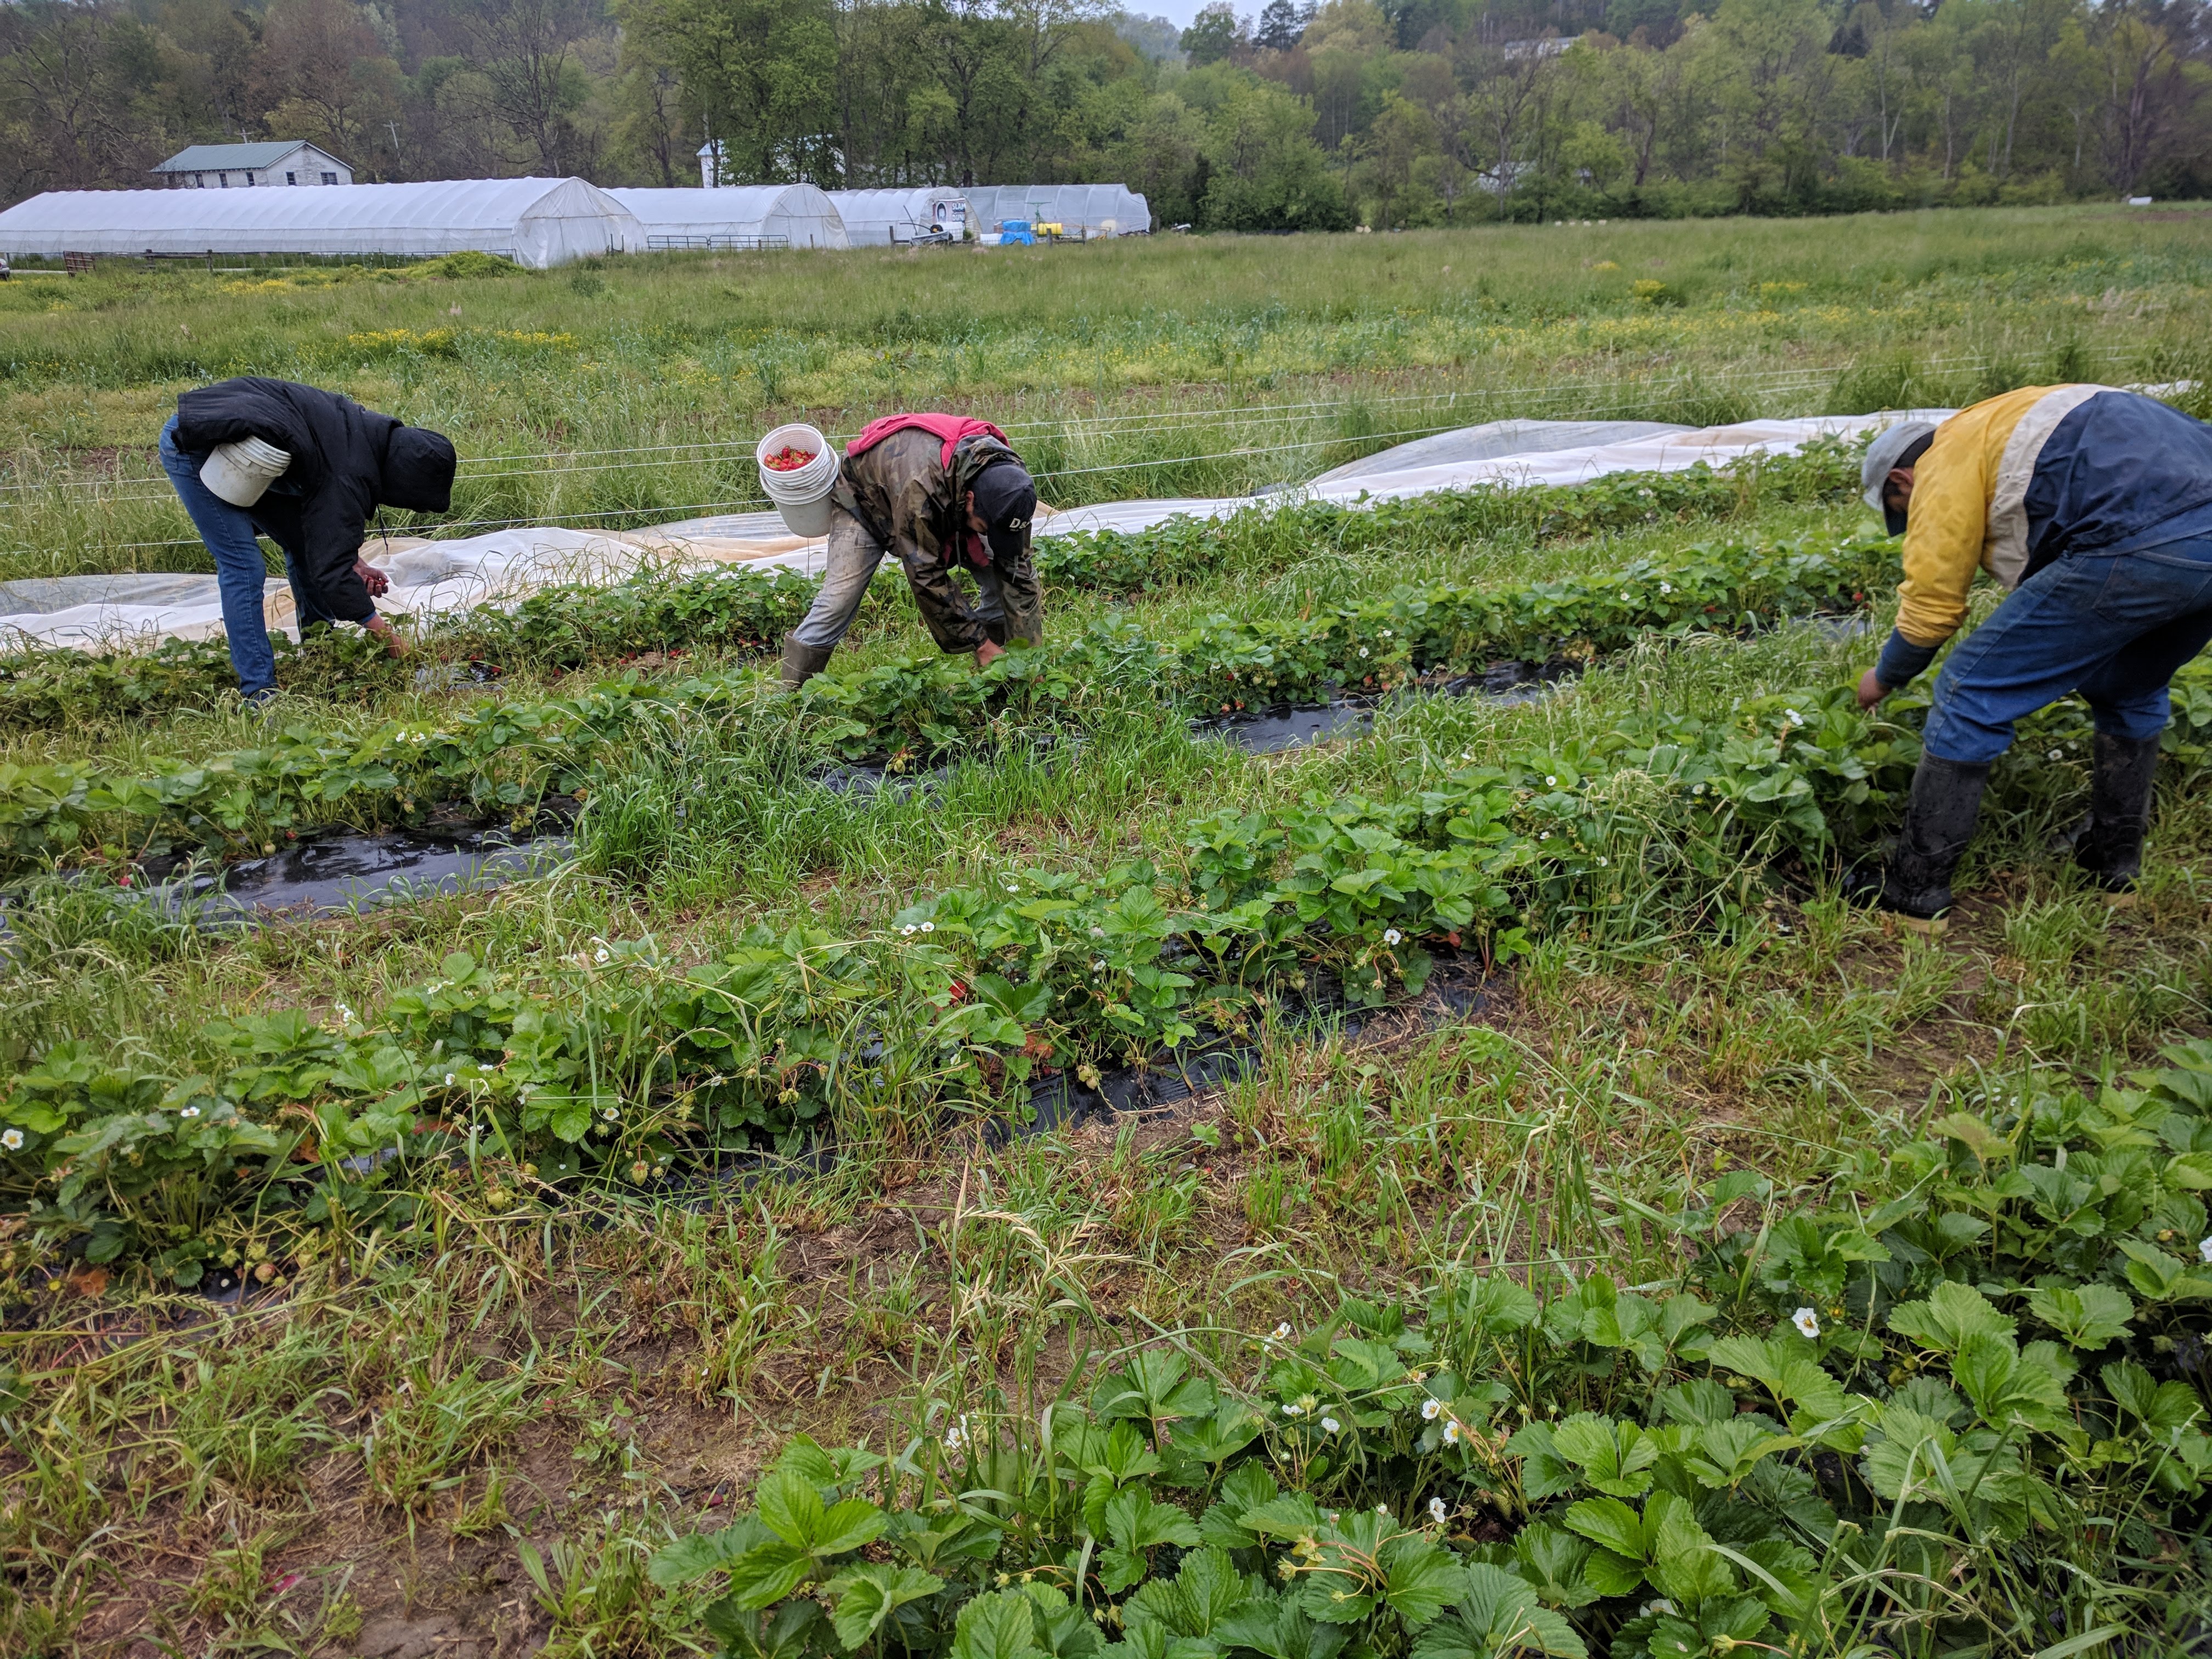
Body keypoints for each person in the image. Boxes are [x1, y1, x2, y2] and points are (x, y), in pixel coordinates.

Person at [1855, 384, 2212, 922]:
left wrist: (1886, 676)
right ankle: (2114, 871)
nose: (1911, 519)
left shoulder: (1946, 456)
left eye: (1903, 510)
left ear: (1902, 482)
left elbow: (1932, 607)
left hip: (2137, 539)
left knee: (1969, 689)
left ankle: (1914, 893)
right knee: (2128, 687)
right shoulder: (2011, 417)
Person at [162, 376, 458, 702]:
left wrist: (354, 563)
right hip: (200, 445)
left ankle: (321, 656)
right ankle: (260, 694)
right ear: (403, 481)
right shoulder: (349, 470)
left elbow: (321, 532)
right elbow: (332, 570)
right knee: (243, 568)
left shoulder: (365, 440)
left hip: (250, 450)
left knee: (304, 547)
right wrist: (388, 637)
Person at [778, 413, 1043, 688]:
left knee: (998, 571)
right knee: (839, 600)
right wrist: (979, 643)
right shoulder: (921, 487)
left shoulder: (1012, 489)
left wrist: (1031, 656)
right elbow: (926, 574)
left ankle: (1000, 677)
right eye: (984, 527)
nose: (988, 535)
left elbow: (1019, 571)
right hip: (864, 503)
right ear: (970, 500)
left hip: (938, 501)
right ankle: (791, 693)